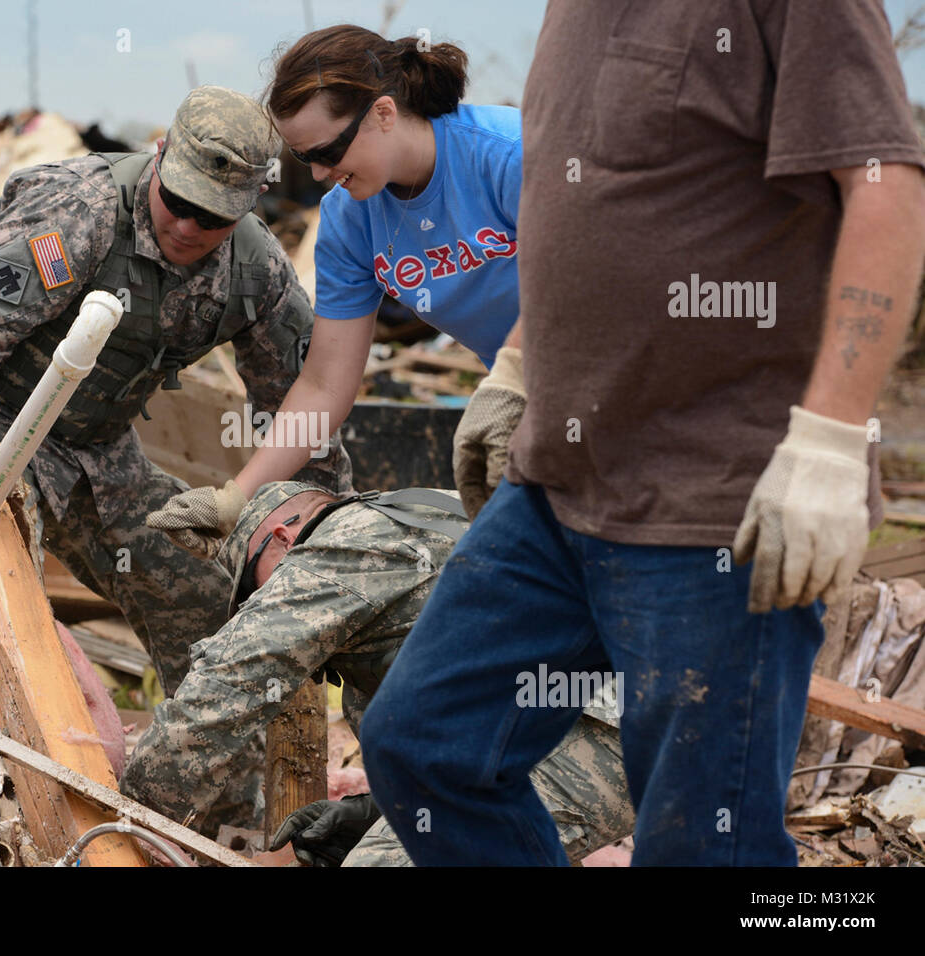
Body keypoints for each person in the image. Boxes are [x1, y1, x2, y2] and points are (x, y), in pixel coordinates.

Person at [360, 0, 925, 866]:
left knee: (700, 844)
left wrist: (830, 440)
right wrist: (517, 368)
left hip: (714, 502)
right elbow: (578, 216)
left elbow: (886, 189)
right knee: (424, 747)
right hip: (558, 484)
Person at [0, 85, 352, 705]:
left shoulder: (253, 270)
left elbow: (301, 406)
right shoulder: (80, 214)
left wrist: (330, 545)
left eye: (211, 217)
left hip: (100, 457)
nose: (187, 227)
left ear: (246, 205)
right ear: (159, 159)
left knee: (208, 594)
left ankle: (191, 792)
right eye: (179, 202)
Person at [147, 25, 525, 552]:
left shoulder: (511, 155)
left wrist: (513, 377)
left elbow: (586, 279)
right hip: (531, 398)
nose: (322, 173)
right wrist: (238, 496)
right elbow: (324, 386)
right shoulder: (350, 221)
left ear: (384, 113)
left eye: (328, 151)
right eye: (305, 158)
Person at [120, 481, 634, 859]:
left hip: (599, 723)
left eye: (258, 589)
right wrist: (371, 812)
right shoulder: (415, 519)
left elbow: (224, 688)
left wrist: (129, 820)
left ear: (282, 535)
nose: (265, 601)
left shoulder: (340, 542)